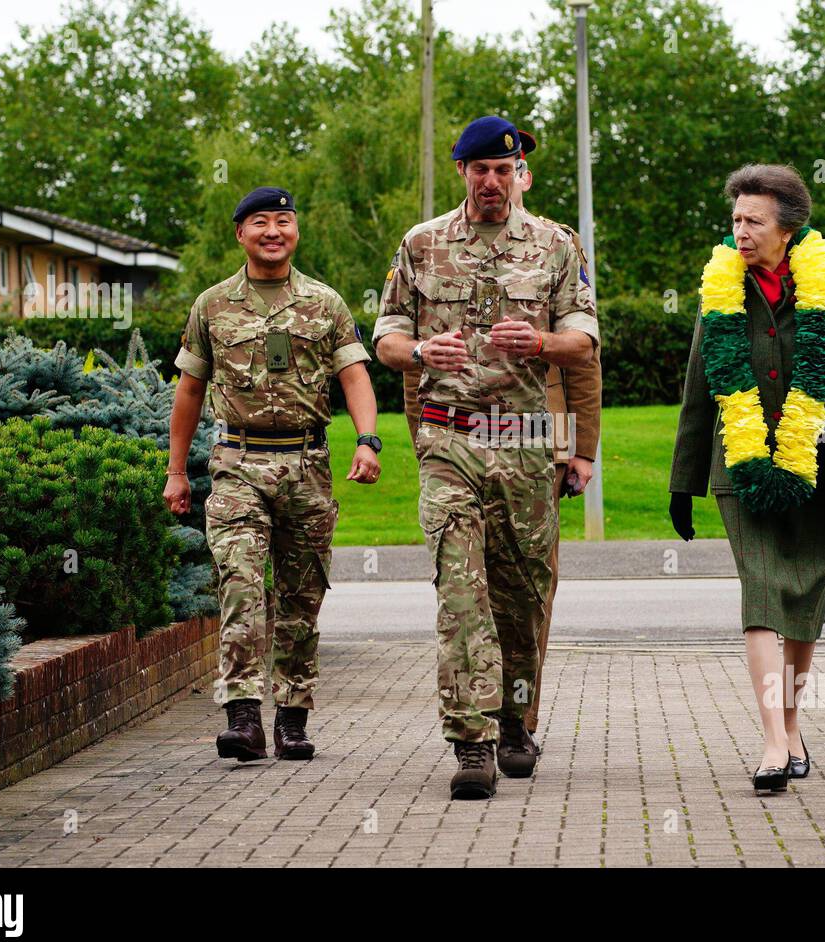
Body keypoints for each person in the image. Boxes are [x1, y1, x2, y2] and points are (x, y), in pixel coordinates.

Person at [374, 116, 599, 799]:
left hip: (525, 441)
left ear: (518, 170)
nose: (492, 181)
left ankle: (515, 719)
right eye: (480, 170)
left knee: (523, 597)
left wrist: (540, 343)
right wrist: (416, 352)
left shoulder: (557, 244)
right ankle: (470, 739)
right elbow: (384, 334)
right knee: (459, 590)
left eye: (504, 170)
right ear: (463, 171)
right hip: (450, 439)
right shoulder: (421, 244)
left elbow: (585, 336)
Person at [669, 164, 825, 793]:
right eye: (735, 219)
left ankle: (791, 727)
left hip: (818, 464)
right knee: (762, 594)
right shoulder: (719, 295)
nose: (740, 230)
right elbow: (697, 397)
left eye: (752, 220)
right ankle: (770, 743)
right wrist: (683, 482)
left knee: (802, 597)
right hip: (738, 468)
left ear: (787, 227)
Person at [164, 186, 382, 763]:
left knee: (301, 595)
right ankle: (242, 716)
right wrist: (176, 471)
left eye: (283, 222)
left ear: (295, 232)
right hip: (237, 463)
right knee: (238, 580)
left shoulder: (327, 304)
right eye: (260, 222)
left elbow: (356, 376)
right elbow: (189, 390)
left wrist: (367, 440)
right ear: (240, 234)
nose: (272, 232)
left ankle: (291, 719)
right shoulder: (211, 306)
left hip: (307, 466)